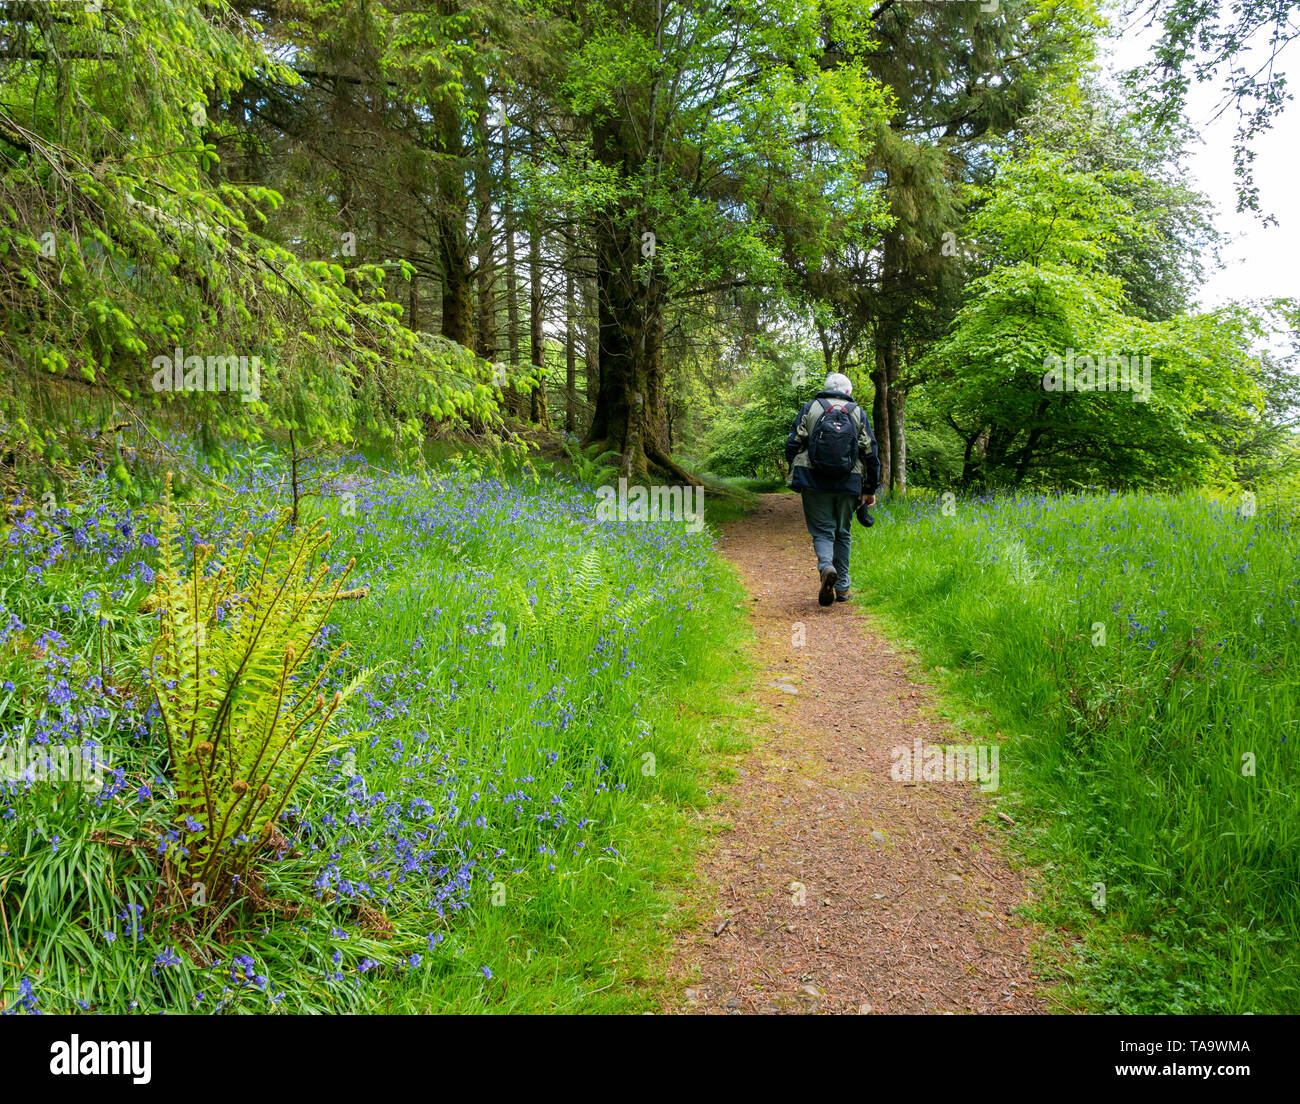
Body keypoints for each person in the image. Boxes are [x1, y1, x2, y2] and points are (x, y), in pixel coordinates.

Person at [784, 372, 880, 607]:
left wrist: (796, 471)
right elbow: (870, 452)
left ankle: (827, 567)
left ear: (827, 388)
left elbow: (792, 444)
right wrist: (870, 488)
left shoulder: (810, 408)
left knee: (823, 532)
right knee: (843, 532)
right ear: (848, 392)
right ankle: (843, 587)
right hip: (850, 481)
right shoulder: (857, 411)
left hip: (814, 481)